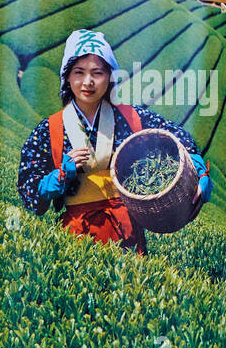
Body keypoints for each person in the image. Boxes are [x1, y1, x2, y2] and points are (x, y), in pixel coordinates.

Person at [17, 30, 212, 255]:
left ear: (109, 77)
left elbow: (175, 137)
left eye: (97, 73)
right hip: (75, 235)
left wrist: (198, 168)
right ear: (67, 76)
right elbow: (29, 189)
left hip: (126, 232)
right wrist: (58, 177)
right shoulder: (49, 130)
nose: (88, 82)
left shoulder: (131, 118)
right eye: (79, 72)